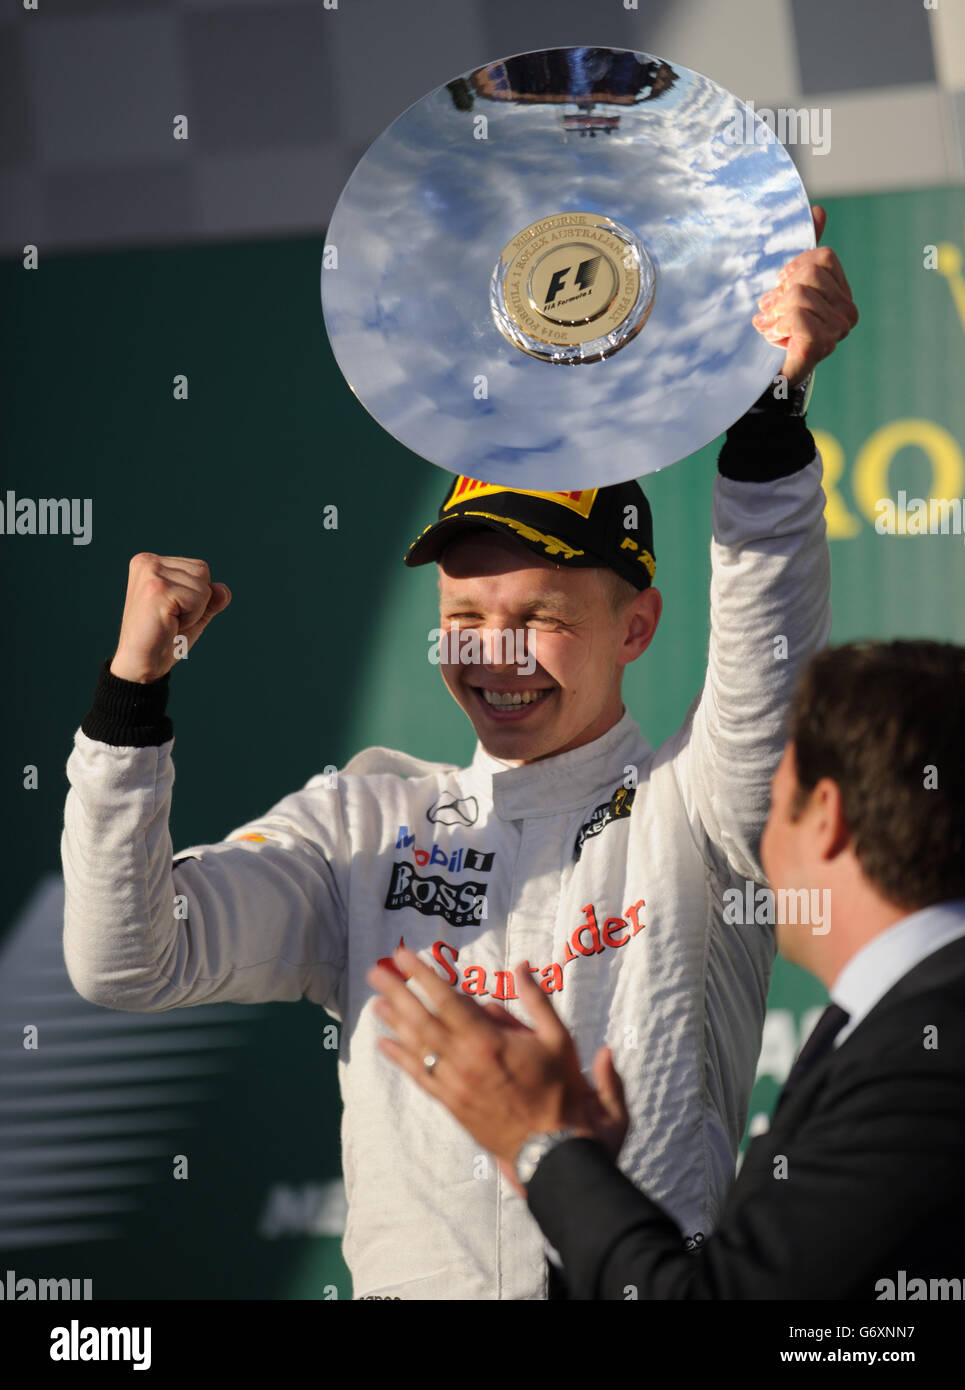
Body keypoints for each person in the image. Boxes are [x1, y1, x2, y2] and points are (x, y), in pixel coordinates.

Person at [61, 209, 857, 1300]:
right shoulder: (358, 824)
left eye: (536, 615)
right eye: (464, 612)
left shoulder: (697, 804)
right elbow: (124, 959)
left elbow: (768, 645)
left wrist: (768, 414)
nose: (492, 653)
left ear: (635, 626)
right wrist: (130, 705)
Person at [369, 640, 965, 1299]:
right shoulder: (896, 1033)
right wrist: (582, 1173)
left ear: (824, 818)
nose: (758, 849)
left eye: (771, 800)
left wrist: (542, 1147)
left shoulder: (925, 1054)